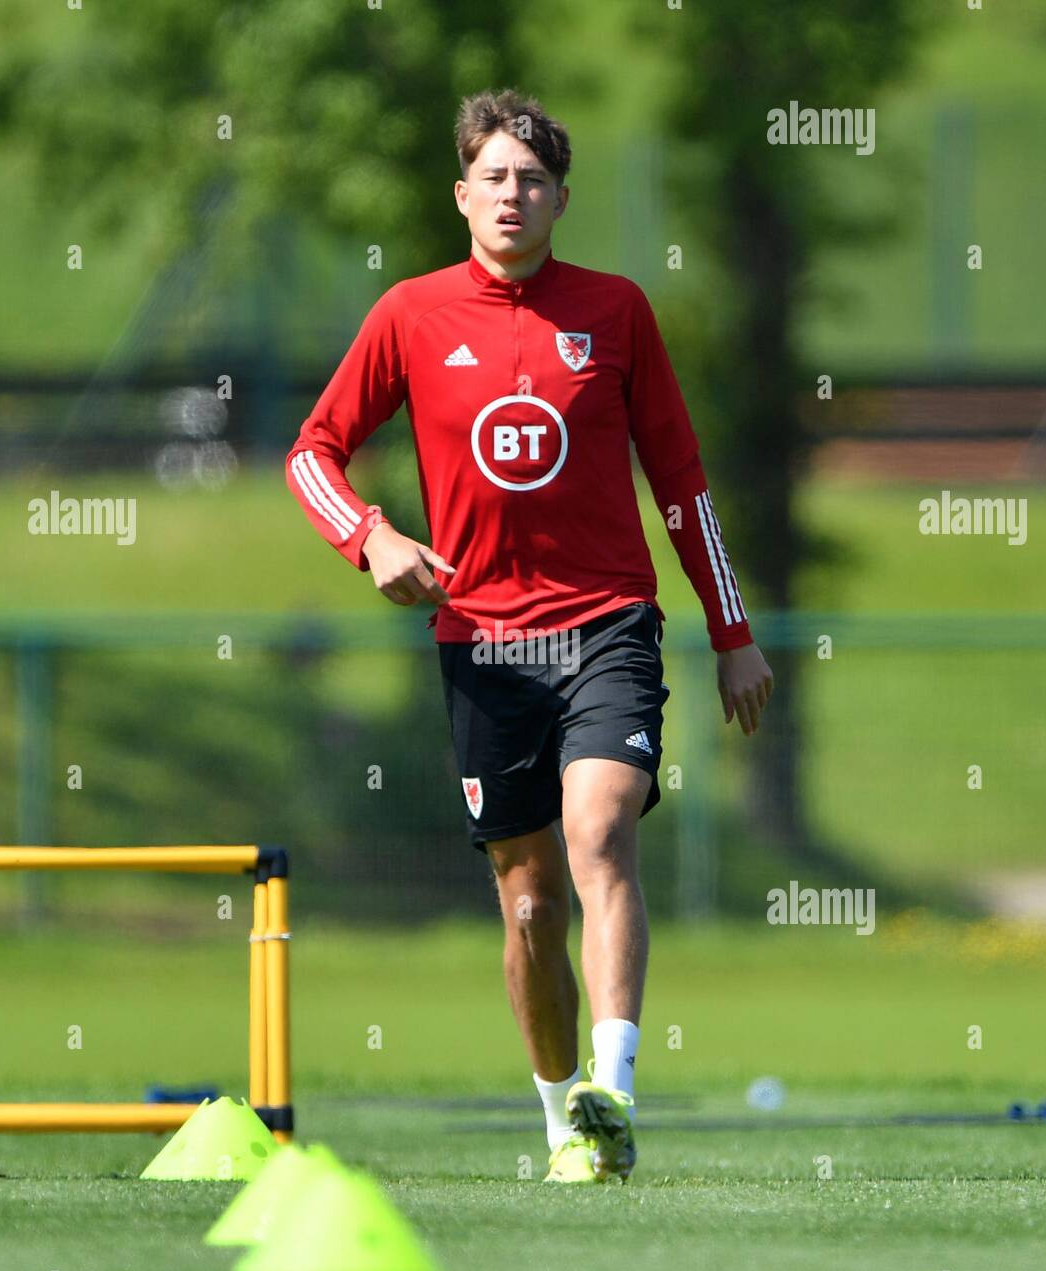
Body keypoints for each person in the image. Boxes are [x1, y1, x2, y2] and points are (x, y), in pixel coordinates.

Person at [286, 88, 773, 1183]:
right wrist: (369, 539)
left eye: (534, 179)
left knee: (599, 831)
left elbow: (683, 483)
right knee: (530, 903)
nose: (514, 195)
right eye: (495, 178)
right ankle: (566, 1125)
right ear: (462, 195)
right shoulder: (410, 315)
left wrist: (732, 630)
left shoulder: (616, 311)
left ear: (562, 198)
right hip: (482, 645)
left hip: (607, 624)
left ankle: (616, 1083)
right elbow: (312, 452)